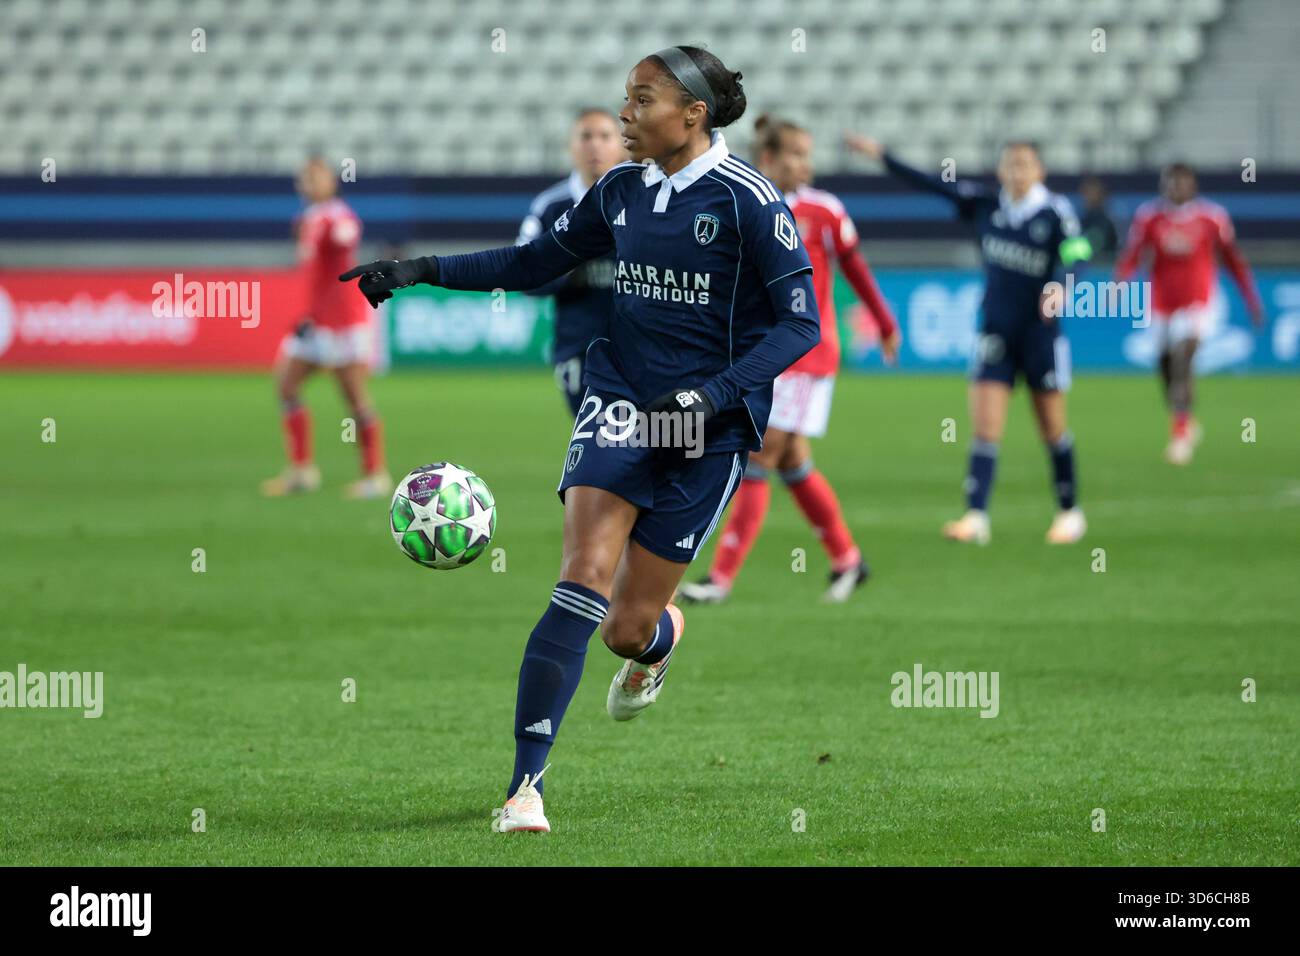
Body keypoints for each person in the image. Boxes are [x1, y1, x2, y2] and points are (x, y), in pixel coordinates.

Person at [340, 46, 818, 832]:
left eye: (642, 100)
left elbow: (801, 322)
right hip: (624, 402)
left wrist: (717, 392)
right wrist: (420, 267)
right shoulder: (621, 191)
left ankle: (658, 645)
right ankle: (524, 789)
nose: (624, 115)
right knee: (581, 577)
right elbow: (534, 262)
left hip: (710, 427)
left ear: (693, 114)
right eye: (626, 99)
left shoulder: (750, 202)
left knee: (626, 629)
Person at [679, 115, 899, 605]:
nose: (807, 163)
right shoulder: (747, 204)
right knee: (793, 461)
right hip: (763, 353)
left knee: (760, 455)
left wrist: (884, 323)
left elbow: (856, 270)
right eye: (796, 154)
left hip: (806, 352)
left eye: (808, 153)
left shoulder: (824, 211)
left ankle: (721, 577)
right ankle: (848, 559)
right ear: (769, 160)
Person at [846, 134, 1089, 545]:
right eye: (1010, 164)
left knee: (1052, 427)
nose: (1017, 172)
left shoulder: (1055, 211)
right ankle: (976, 517)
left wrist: (1061, 284)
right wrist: (883, 157)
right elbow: (932, 185)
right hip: (995, 328)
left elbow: (1078, 250)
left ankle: (1069, 512)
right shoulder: (987, 205)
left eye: (1025, 164)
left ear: (1040, 170)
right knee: (985, 428)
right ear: (1001, 169)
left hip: (1040, 335)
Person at [1114, 163, 1264, 465]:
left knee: (1184, 357)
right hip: (1161, 302)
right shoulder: (1150, 217)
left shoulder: (1211, 217)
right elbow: (1133, 253)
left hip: (1199, 301)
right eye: (1171, 183)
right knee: (1165, 363)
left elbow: (1233, 260)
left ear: (1193, 186)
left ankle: (1180, 434)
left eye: (1182, 183)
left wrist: (1251, 300)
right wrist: (1120, 281)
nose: (1177, 189)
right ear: (1163, 185)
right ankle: (1184, 416)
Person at [261, 157, 388, 499]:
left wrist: (340, 236)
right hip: (315, 322)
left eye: (317, 177)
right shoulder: (309, 218)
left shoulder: (337, 216)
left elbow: (346, 237)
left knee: (353, 396)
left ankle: (374, 475)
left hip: (343, 323)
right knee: (286, 385)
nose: (310, 184)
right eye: (306, 178)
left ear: (332, 181)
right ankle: (302, 470)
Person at [517, 109, 629, 415]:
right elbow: (521, 272)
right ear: (572, 147)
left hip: (640, 346)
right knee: (597, 440)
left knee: (648, 443)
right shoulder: (551, 207)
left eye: (605, 136)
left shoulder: (643, 198)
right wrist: (568, 272)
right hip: (578, 348)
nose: (595, 145)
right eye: (586, 136)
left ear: (621, 145)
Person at [1078, 175, 1119, 263]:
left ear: (1101, 195)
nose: (1088, 196)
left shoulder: (1105, 223)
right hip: (1079, 272)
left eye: (1092, 192)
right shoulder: (1081, 220)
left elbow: (1095, 246)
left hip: (1101, 272)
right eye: (1085, 192)